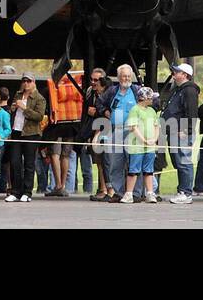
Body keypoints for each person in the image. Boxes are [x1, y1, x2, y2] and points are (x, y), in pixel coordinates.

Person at [100, 65, 141, 202]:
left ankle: (135, 193)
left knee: (134, 163)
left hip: (134, 132)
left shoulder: (137, 90)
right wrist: (105, 112)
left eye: (129, 76)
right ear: (118, 77)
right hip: (116, 131)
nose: (127, 78)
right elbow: (100, 103)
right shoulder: (112, 91)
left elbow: (153, 102)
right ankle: (118, 192)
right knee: (115, 163)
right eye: (124, 76)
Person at [5, 73, 47, 203]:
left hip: (31, 133)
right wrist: (12, 108)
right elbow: (12, 111)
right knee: (15, 162)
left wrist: (25, 108)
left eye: (29, 81)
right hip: (16, 131)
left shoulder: (39, 98)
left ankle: (27, 192)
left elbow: (39, 116)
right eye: (24, 81)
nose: (26, 83)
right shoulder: (18, 95)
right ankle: (15, 191)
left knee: (29, 163)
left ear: (34, 82)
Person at [161, 63, 199, 204]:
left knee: (184, 161)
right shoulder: (179, 89)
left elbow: (191, 112)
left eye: (177, 72)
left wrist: (186, 130)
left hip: (181, 131)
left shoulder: (188, 90)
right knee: (178, 161)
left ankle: (186, 193)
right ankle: (182, 190)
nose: (174, 73)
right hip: (174, 130)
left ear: (185, 75)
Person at [46, 71, 83, 196]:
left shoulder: (53, 86)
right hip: (72, 122)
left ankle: (58, 185)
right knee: (65, 156)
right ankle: (63, 185)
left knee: (55, 154)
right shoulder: (77, 86)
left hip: (57, 123)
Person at [122, 87, 161, 203]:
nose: (152, 100)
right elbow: (133, 127)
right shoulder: (135, 110)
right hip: (137, 147)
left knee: (149, 171)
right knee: (133, 170)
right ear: (144, 98)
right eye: (150, 98)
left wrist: (154, 139)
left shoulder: (152, 111)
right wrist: (144, 140)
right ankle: (129, 194)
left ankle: (149, 193)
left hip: (150, 147)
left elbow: (156, 126)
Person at [81, 68, 109, 200]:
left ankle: (106, 190)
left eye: (96, 80)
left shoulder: (109, 93)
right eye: (92, 79)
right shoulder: (89, 92)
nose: (93, 82)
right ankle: (102, 188)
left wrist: (97, 112)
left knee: (105, 161)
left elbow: (109, 113)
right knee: (98, 161)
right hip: (94, 129)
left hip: (106, 130)